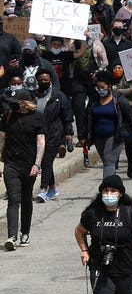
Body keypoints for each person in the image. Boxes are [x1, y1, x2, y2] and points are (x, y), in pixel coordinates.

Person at [1, 87, 44, 250]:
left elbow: (41, 142)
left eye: (15, 102)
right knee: (13, 199)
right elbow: (1, 140)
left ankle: (25, 233)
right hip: (11, 164)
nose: (11, 105)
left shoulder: (37, 118)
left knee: (26, 199)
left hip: (29, 165)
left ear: (24, 103)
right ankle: (12, 236)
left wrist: (37, 164)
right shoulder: (7, 116)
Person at [84, 71, 132, 179]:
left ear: (110, 86)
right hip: (98, 137)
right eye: (98, 87)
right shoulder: (94, 100)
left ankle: (107, 186)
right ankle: (113, 183)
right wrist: (83, 136)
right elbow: (87, 117)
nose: (100, 90)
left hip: (114, 136)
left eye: (102, 87)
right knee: (107, 161)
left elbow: (131, 116)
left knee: (109, 161)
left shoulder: (119, 99)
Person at [33, 67, 73, 202]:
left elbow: (67, 115)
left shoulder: (58, 96)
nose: (43, 82)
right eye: (41, 80)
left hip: (54, 134)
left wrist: (69, 133)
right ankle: (52, 188)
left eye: (46, 80)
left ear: (50, 80)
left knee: (46, 162)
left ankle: (43, 190)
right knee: (46, 162)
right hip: (38, 135)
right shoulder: (33, 96)